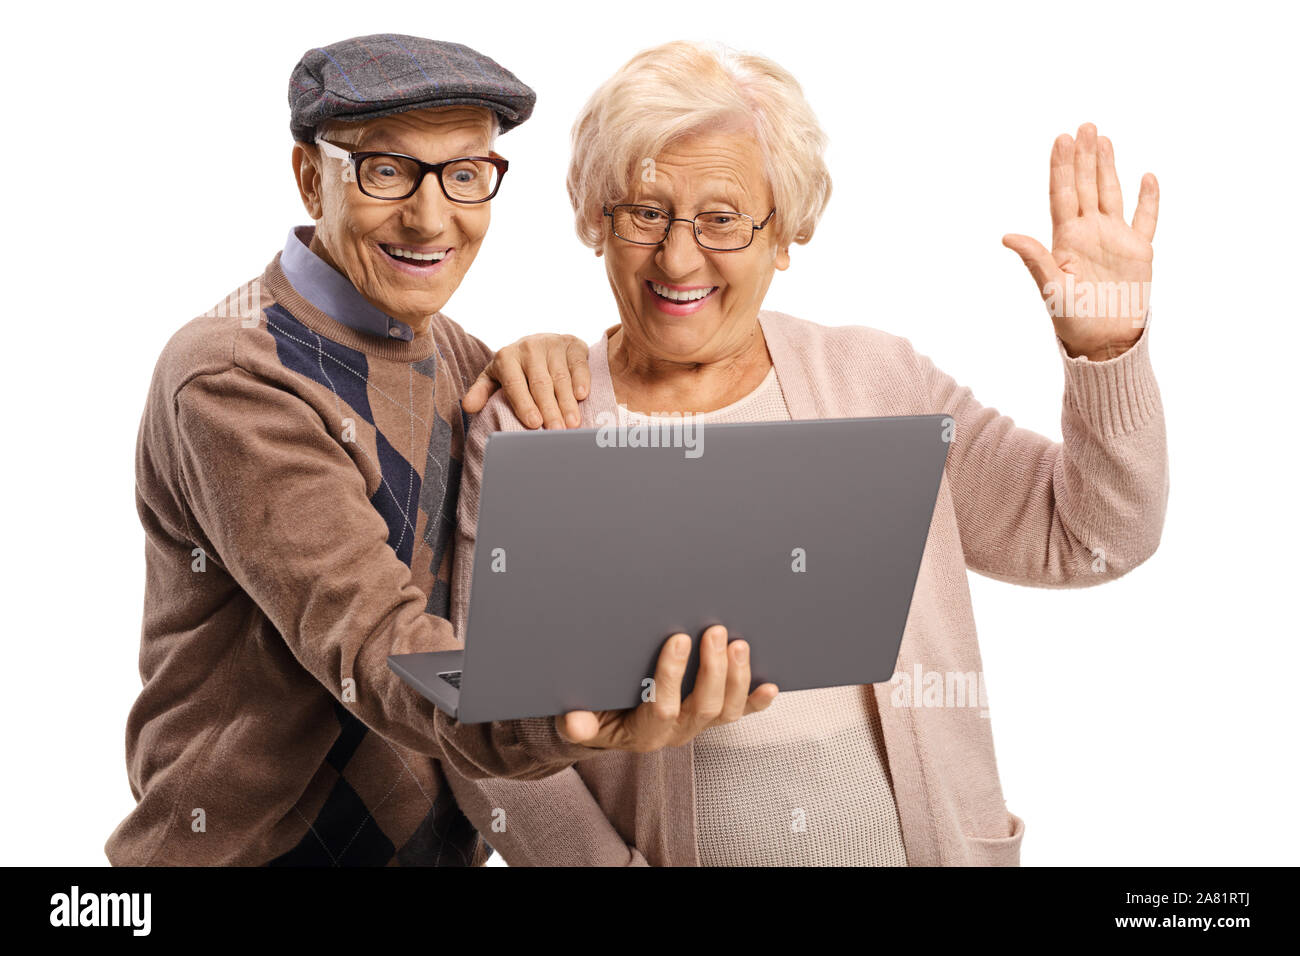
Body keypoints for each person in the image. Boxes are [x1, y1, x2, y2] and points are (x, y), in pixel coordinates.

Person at [444, 40, 1169, 866]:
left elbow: (1093, 537)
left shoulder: (878, 379)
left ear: (783, 233)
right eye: (645, 213)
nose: (678, 258)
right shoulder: (534, 424)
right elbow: (485, 727)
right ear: (596, 222)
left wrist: (1109, 351)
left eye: (722, 219)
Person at [106, 34, 771, 867]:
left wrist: (544, 360)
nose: (430, 217)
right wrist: (571, 717)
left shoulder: (461, 360)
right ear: (313, 178)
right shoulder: (232, 374)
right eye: (386, 171)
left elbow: (535, 595)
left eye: (463, 174)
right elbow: (377, 648)